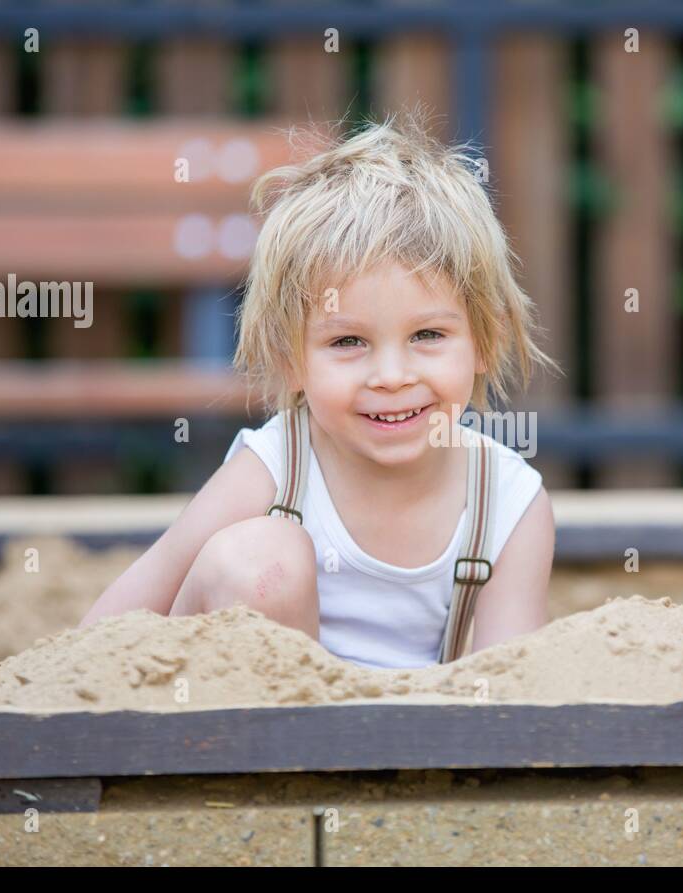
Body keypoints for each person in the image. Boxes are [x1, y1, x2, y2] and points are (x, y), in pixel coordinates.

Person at [79, 108, 562, 668]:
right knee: (261, 561)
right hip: (252, 736)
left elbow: (506, 692)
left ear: (484, 339)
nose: (390, 376)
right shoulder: (277, 466)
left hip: (415, 748)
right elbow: (114, 627)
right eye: (348, 342)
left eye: (427, 334)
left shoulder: (506, 501)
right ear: (291, 361)